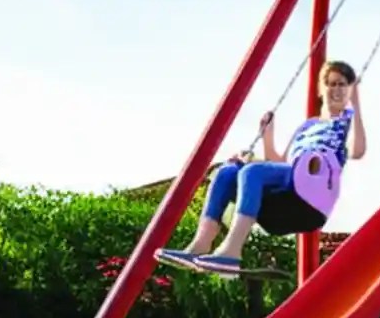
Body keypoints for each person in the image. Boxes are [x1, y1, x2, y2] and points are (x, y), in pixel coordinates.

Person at [156, 60, 367, 276]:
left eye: (342, 84)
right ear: (322, 89)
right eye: (330, 84)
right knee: (228, 172)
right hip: (286, 198)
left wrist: (357, 105)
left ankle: (231, 252)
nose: (336, 89)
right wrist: (267, 135)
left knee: (252, 171)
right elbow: (281, 164)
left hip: (312, 201)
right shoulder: (307, 126)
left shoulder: (345, 123)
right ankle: (201, 244)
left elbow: (358, 150)